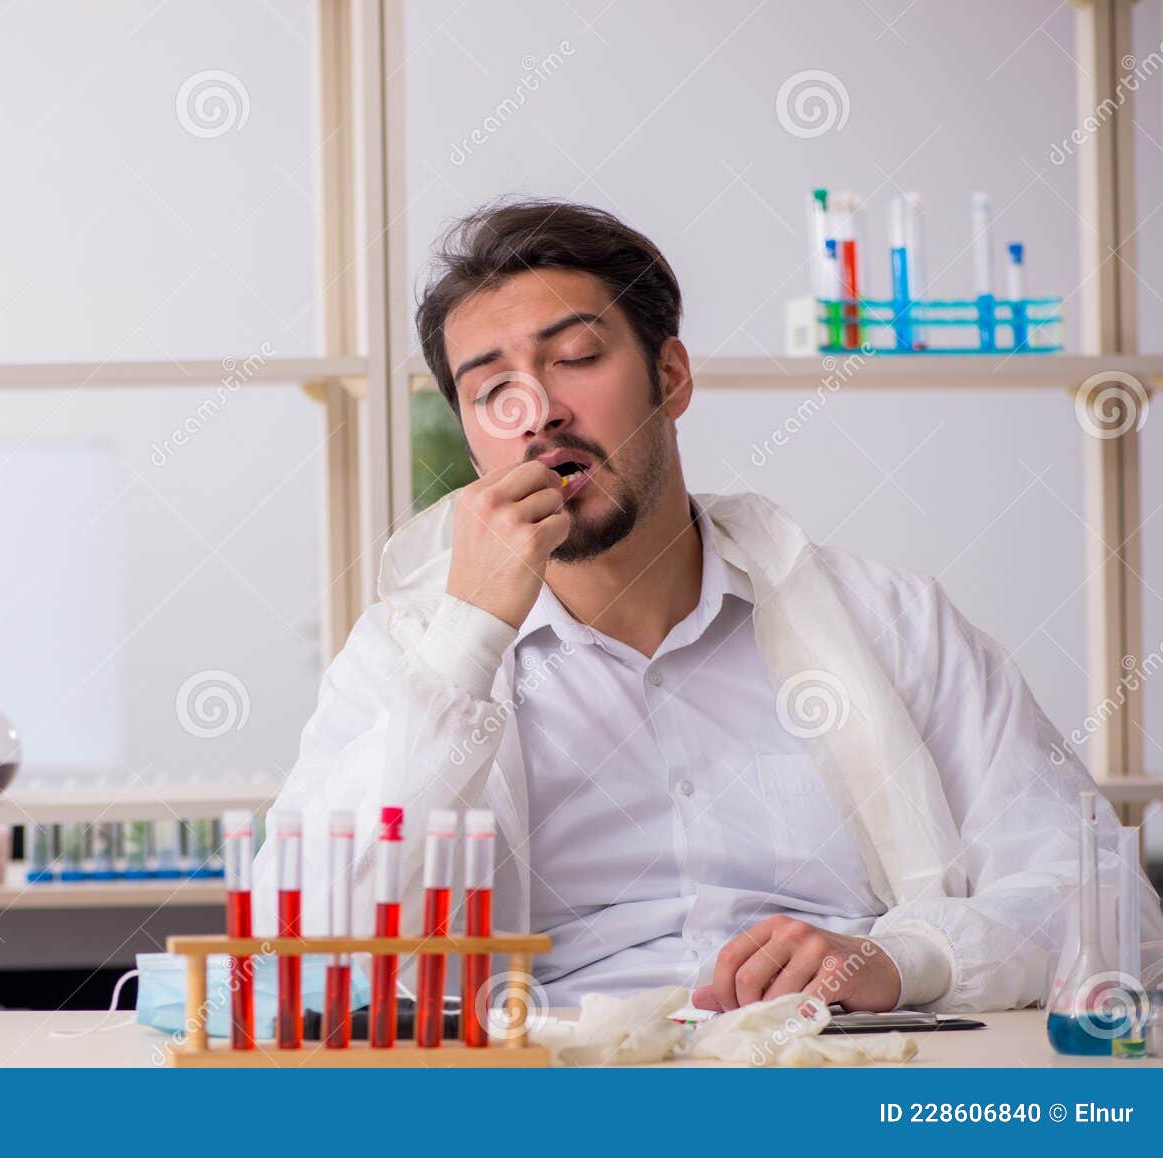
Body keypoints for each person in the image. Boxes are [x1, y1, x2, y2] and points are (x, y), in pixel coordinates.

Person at [253, 199, 1163, 1014]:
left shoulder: (891, 622)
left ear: (673, 379)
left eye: (574, 358)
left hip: (845, 1074)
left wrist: (905, 959)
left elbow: (1106, 904)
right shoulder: (411, 654)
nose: (537, 410)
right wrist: (469, 638)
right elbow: (294, 950)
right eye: (492, 391)